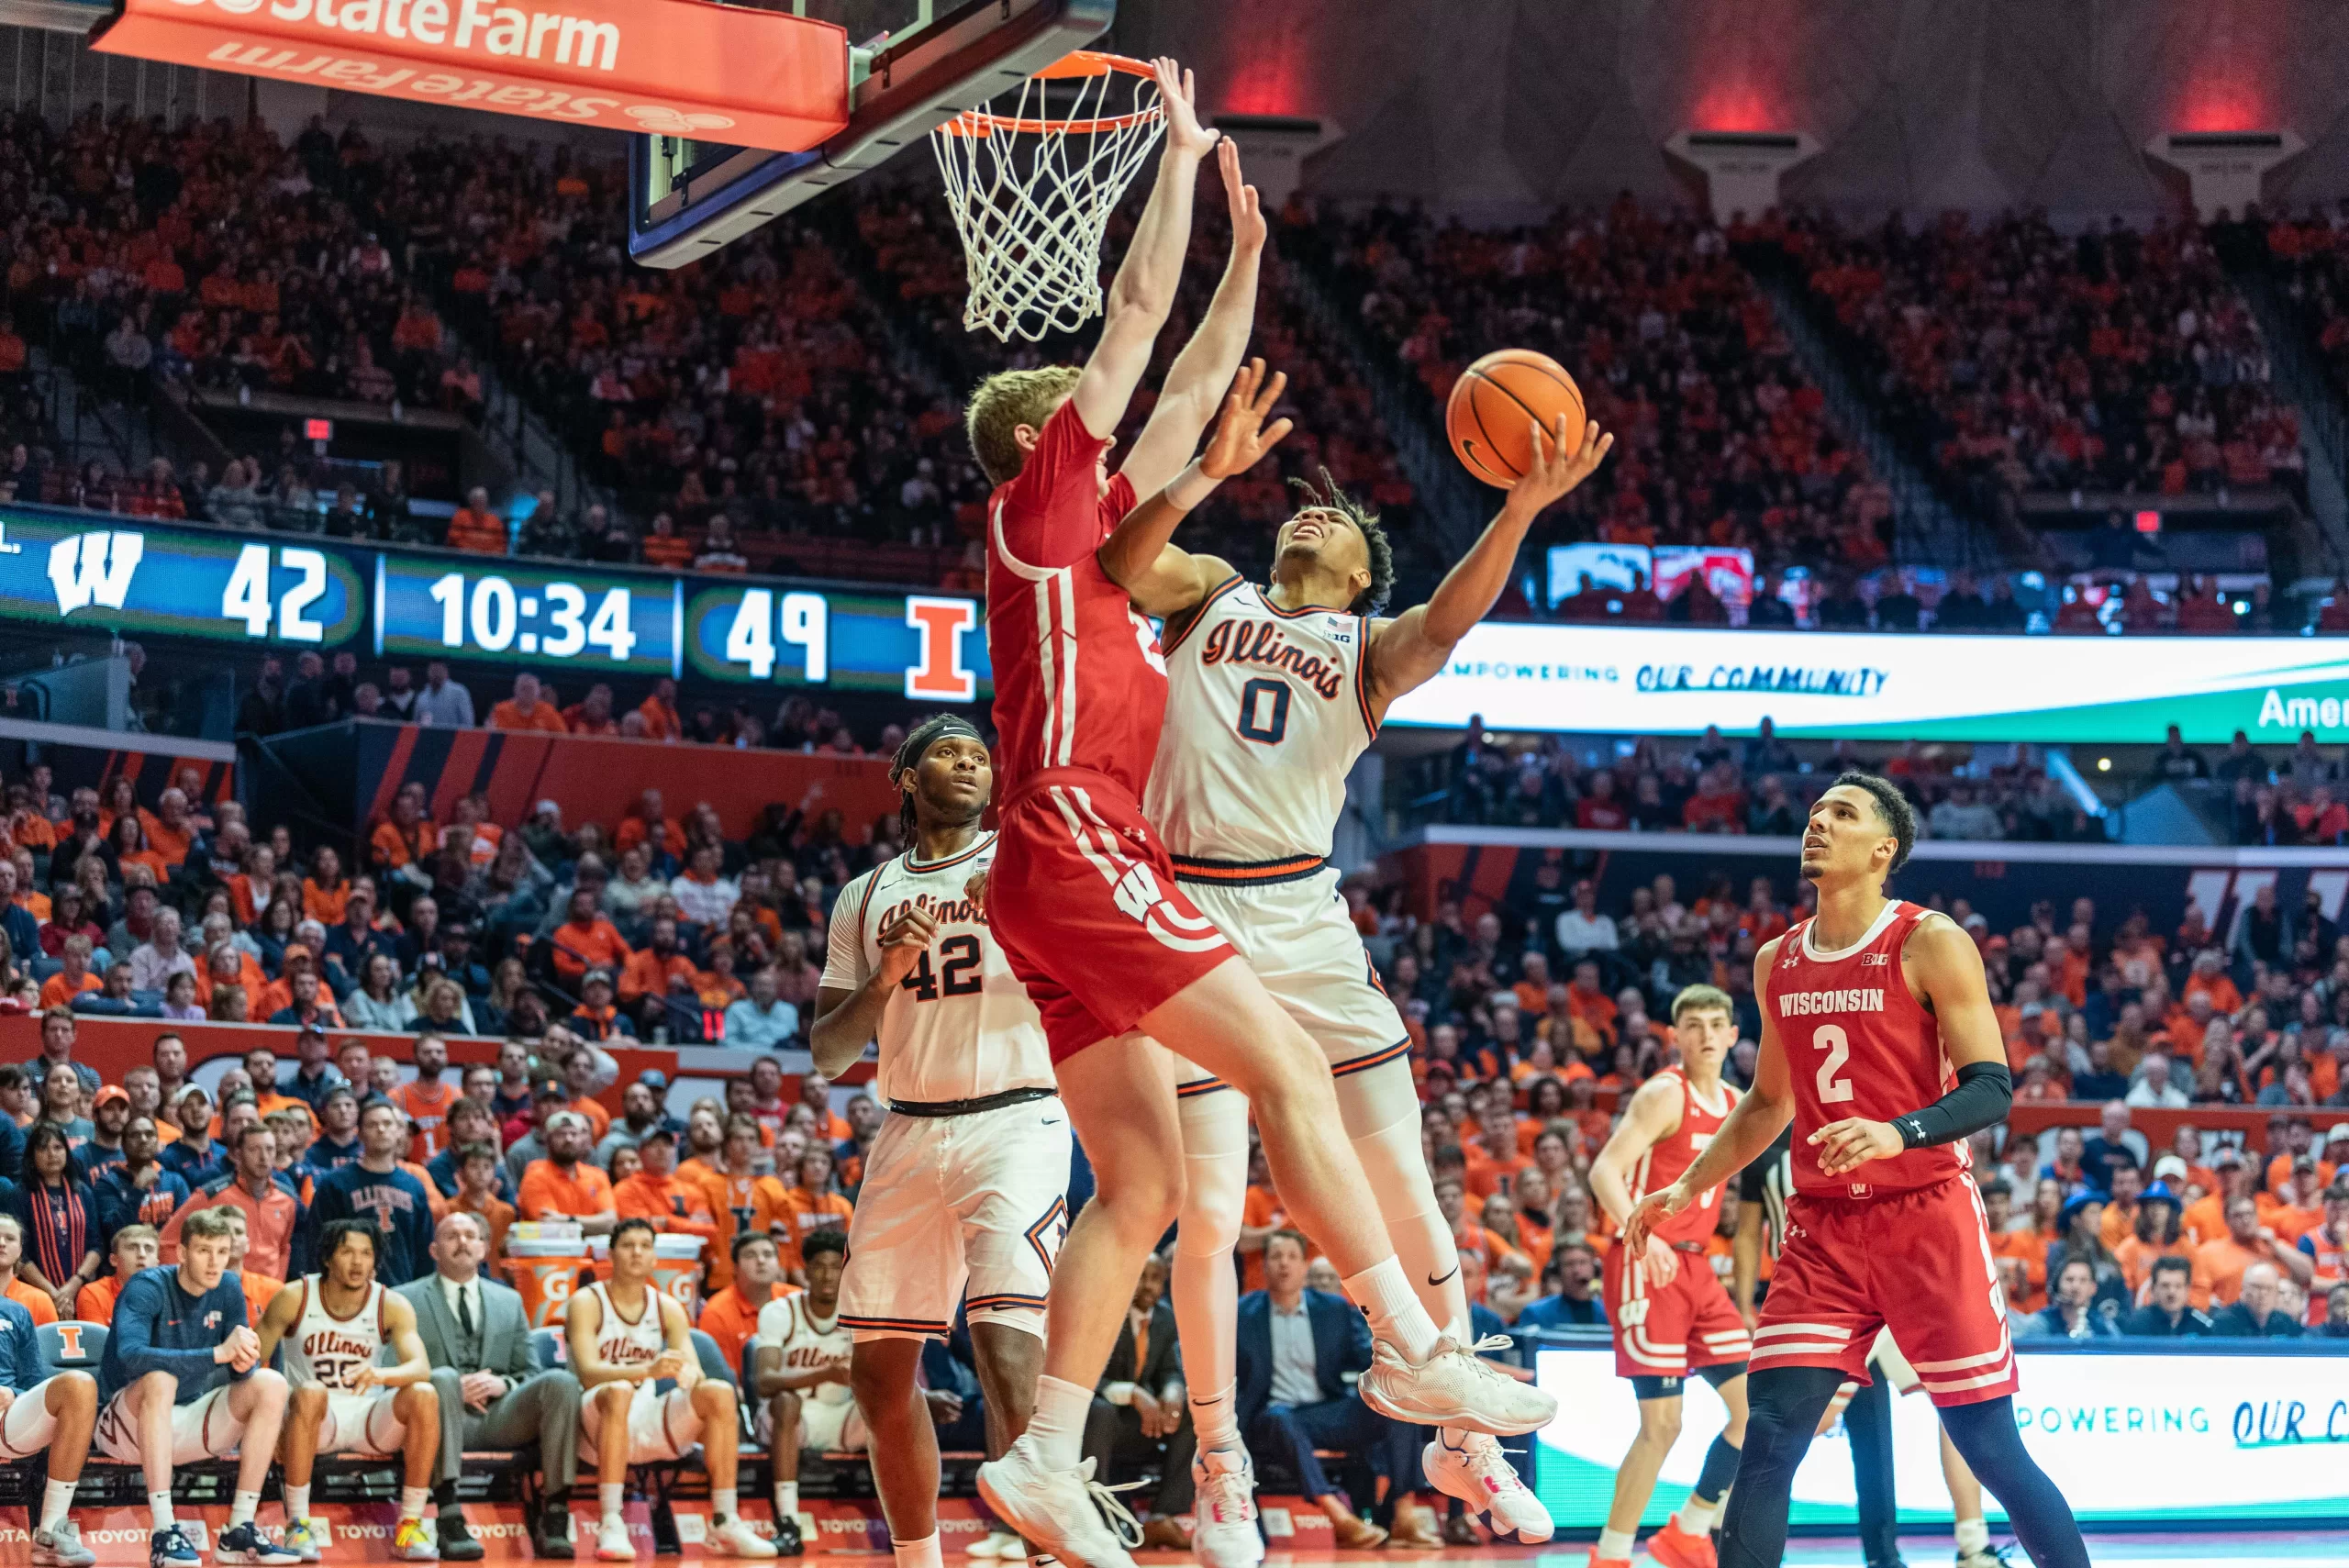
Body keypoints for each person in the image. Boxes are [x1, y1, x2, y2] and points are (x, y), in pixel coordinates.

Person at [969, 98, 1553, 1568]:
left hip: (1108, 877)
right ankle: (1407, 1354)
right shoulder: (1063, 513)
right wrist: (1173, 165)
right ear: (1045, 441)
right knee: (1267, 1105)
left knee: (1144, 1187)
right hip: (1102, 849)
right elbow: (1137, 331)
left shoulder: (1124, 539)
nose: (1112, 428)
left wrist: (1248, 253)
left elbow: (1189, 385)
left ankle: (1045, 1454)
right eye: (1086, 421)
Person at [1107, 351, 1605, 1553]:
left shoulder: (1369, 647)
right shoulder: (1212, 589)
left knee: (1404, 1181)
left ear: (1360, 572)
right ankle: (1220, 1467)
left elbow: (1452, 619)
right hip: (1189, 913)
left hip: (1303, 916)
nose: (1306, 513)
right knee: (1208, 1212)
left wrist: (1518, 510)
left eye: (1329, 518)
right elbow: (1121, 563)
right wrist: (1199, 475)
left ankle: (1460, 1435)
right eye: (1298, 508)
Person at [1625, 773, 2089, 1568]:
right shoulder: (1777, 960)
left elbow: (1991, 1087)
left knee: (1988, 1443)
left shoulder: (1929, 940)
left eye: (1842, 814)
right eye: (1815, 813)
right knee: (1771, 1431)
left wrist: (1896, 1132)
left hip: (1927, 1213)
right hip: (1825, 1230)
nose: (1818, 823)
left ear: (1884, 850)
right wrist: (1687, 1182)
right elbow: (1768, 1102)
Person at [808, 715, 1070, 1568]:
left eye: (979, 756)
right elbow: (828, 1051)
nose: (968, 764)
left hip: (1017, 1117)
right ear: (907, 778)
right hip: (909, 1126)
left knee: (1006, 1348)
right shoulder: (864, 895)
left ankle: (1044, 1555)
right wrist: (884, 978)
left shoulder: (1024, 860)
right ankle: (918, 1559)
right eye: (948, 753)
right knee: (878, 1376)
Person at [1585, 985, 1752, 1568]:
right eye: (1694, 1025)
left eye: (1716, 1024)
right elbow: (1604, 1170)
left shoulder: (1737, 1102)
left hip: (1698, 1266)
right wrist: (1643, 1231)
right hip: (1645, 1259)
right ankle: (1610, 1556)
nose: (1706, 1034)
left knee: (1754, 1410)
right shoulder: (1664, 1093)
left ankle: (1691, 1527)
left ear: (1733, 1036)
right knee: (1663, 1424)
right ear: (1675, 1037)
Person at [94, 1205, 302, 1568]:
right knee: (160, 1380)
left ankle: (240, 1528)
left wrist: (244, 1360)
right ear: (182, 1252)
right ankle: (164, 1530)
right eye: (204, 1250)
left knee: (270, 1383)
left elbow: (239, 1369)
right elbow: (131, 1356)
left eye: (222, 1251)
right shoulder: (147, 1286)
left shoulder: (228, 1287)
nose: (214, 1262)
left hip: (188, 1418)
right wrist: (218, 1354)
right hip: (125, 1426)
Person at [568, 1217, 773, 1561]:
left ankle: (725, 1519)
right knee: (618, 1390)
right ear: (611, 1255)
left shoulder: (667, 1307)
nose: (637, 1253)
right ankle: (611, 1521)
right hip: (594, 1419)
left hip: (646, 1415)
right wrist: (648, 1369)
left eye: (645, 1246)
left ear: (654, 1258)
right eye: (628, 1245)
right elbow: (588, 1374)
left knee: (718, 1392)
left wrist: (688, 1375)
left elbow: (693, 1369)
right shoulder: (586, 1301)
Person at [1234, 1230, 1437, 1550]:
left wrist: (1400, 1365)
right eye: (1276, 1257)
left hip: (1324, 1412)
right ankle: (1338, 1517)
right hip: (1271, 1418)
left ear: (1304, 1267)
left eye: (1292, 1257)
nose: (1284, 1264)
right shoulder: (1244, 1313)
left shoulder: (1333, 1310)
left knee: (1396, 1399)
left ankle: (1404, 1514)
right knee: (1280, 1418)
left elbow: (1366, 1354)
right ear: (1264, 1266)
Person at [254, 1220, 443, 1562]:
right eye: (347, 1252)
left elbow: (420, 1367)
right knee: (310, 1390)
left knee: (424, 1394)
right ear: (328, 1258)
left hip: (368, 1416)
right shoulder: (294, 1297)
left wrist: (382, 1374)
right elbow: (252, 1362)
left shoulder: (391, 1303)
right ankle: (298, 1524)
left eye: (366, 1254)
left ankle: (410, 1526)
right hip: (313, 1419)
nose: (358, 1262)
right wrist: (270, 1423)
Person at [401, 1210, 583, 1558]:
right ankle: (449, 1516)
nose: (462, 1242)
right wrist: (453, 1387)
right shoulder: (405, 1299)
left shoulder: (509, 1300)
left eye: (471, 1236)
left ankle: (555, 1516)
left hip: (500, 1416)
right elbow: (393, 1370)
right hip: (437, 1417)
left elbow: (530, 1372)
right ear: (434, 1250)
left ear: (484, 1249)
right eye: (451, 1236)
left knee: (560, 1382)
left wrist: (504, 1384)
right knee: (442, 1378)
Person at [1082, 1253, 1196, 1550]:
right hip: (1095, 1425)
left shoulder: (1165, 1317)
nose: (1148, 1285)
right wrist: (1131, 1392)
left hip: (1138, 1426)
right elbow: (1082, 1373)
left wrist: (1173, 1390)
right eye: (1141, 1276)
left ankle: (1163, 1515)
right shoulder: (1104, 1313)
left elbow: (1170, 1369)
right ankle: (1097, 1517)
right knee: (1100, 1411)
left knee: (1190, 1413)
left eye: (1155, 1278)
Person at [755, 1229, 860, 1552]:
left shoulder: (860, 1314)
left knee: (894, 1410)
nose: (827, 1275)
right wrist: (824, 1374)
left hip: (841, 1417)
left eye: (835, 1267)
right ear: (805, 1270)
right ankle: (788, 1521)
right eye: (819, 1266)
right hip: (786, 1422)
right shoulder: (779, 1312)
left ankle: (898, 1519)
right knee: (786, 1402)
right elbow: (764, 1381)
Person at [304, 1101, 435, 1284]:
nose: (381, 1129)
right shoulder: (334, 1184)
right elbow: (318, 1244)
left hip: (404, 1289)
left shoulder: (413, 1186)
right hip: (347, 1289)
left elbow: (425, 1250)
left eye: (387, 1123)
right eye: (372, 1124)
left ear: (400, 1131)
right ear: (360, 1133)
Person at [700, 1232, 793, 1381]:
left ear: (778, 1264)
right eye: (750, 1255)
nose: (761, 1260)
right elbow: (723, 1380)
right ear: (735, 1267)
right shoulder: (716, 1312)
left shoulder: (795, 1299)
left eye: (768, 1254)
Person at [73, 1224, 161, 1326]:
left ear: (157, 1263)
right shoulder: (94, 1294)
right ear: (114, 1260)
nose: (142, 1254)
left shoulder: (169, 1295)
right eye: (132, 1248)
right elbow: (96, 1337)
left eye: (149, 1249)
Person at [2121, 1256, 2212, 1337]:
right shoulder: (2139, 1322)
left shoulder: (2201, 1323)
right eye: (2165, 1286)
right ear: (2153, 1289)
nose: (2171, 1292)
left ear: (2187, 1290)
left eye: (2178, 1286)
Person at [2210, 1261, 2305, 1338]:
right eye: (2256, 1287)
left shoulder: (2284, 1322)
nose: (2263, 1294)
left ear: (2276, 1292)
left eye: (2269, 1288)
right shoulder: (2224, 1321)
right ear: (2243, 1289)